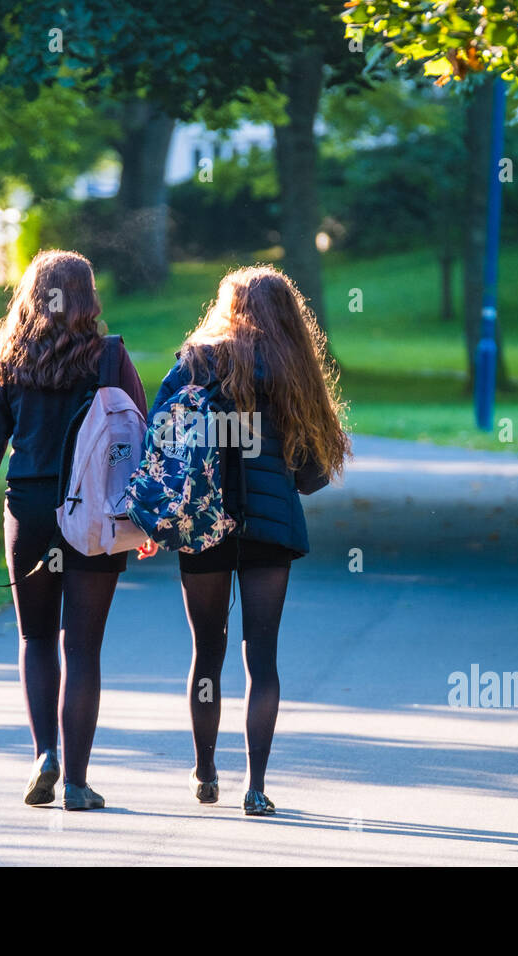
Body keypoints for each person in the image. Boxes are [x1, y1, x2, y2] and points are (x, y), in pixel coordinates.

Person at [0, 249, 148, 811]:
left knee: (36, 639)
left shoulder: (10, 360)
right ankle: (79, 784)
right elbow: (138, 440)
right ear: (88, 297)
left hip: (31, 511)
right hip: (94, 516)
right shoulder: (110, 358)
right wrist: (143, 517)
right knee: (83, 648)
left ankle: (44, 756)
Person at [149, 264, 350, 816]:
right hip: (270, 528)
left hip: (202, 524)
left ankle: (205, 770)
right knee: (261, 658)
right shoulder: (296, 371)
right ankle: (255, 785)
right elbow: (312, 474)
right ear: (288, 313)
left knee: (206, 651)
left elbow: (159, 437)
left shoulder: (194, 362)